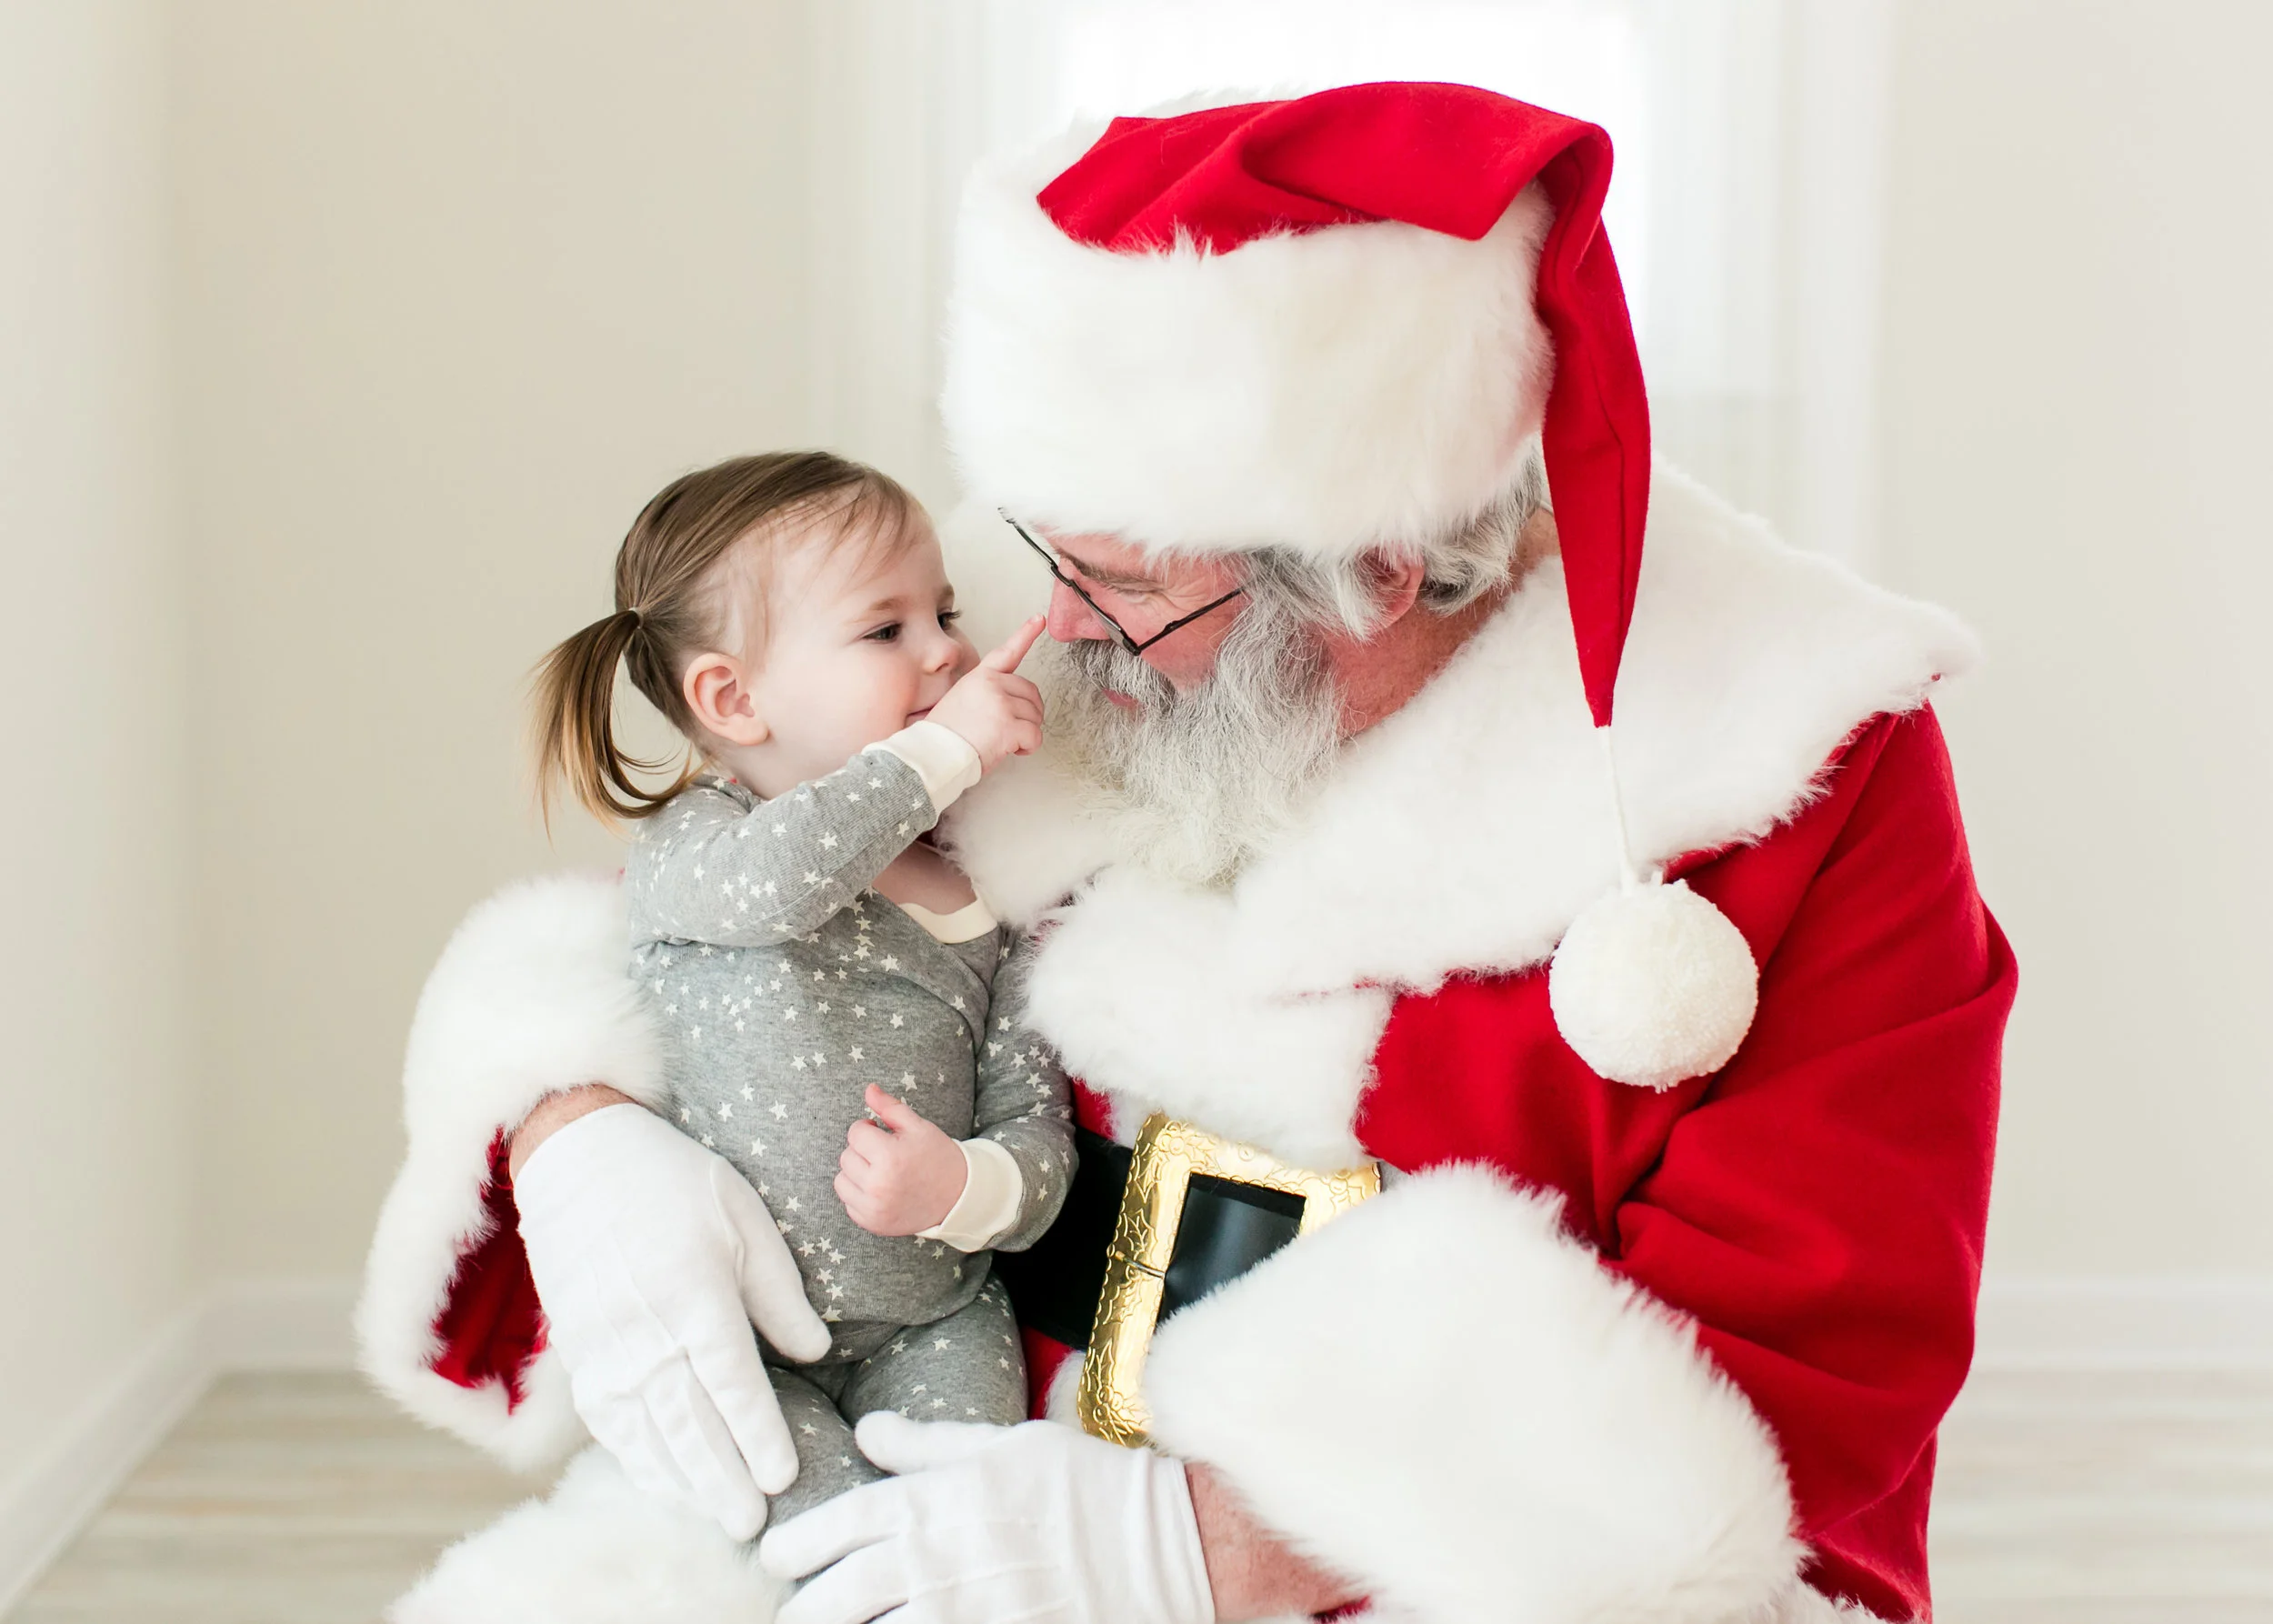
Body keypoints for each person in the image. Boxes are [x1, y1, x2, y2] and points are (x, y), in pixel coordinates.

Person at [360, 84, 2013, 1624]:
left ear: (1385, 561)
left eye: (1137, 589)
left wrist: (1196, 1548)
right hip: (921, 1477)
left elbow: (1800, 1371)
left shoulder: (1792, 765)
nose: (1054, 631)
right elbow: (705, 882)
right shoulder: (1048, 624)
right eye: (1048, 556)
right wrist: (583, 1136)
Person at [514, 450, 1075, 1537]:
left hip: (935, 1321)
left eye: (945, 612)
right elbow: (786, 884)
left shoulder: (980, 895)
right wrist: (942, 748)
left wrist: (961, 1184)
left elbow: (1034, 1125)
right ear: (732, 697)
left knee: (966, 1537)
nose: (947, 648)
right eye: (887, 630)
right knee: (818, 1549)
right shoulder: (697, 846)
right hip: (731, 1335)